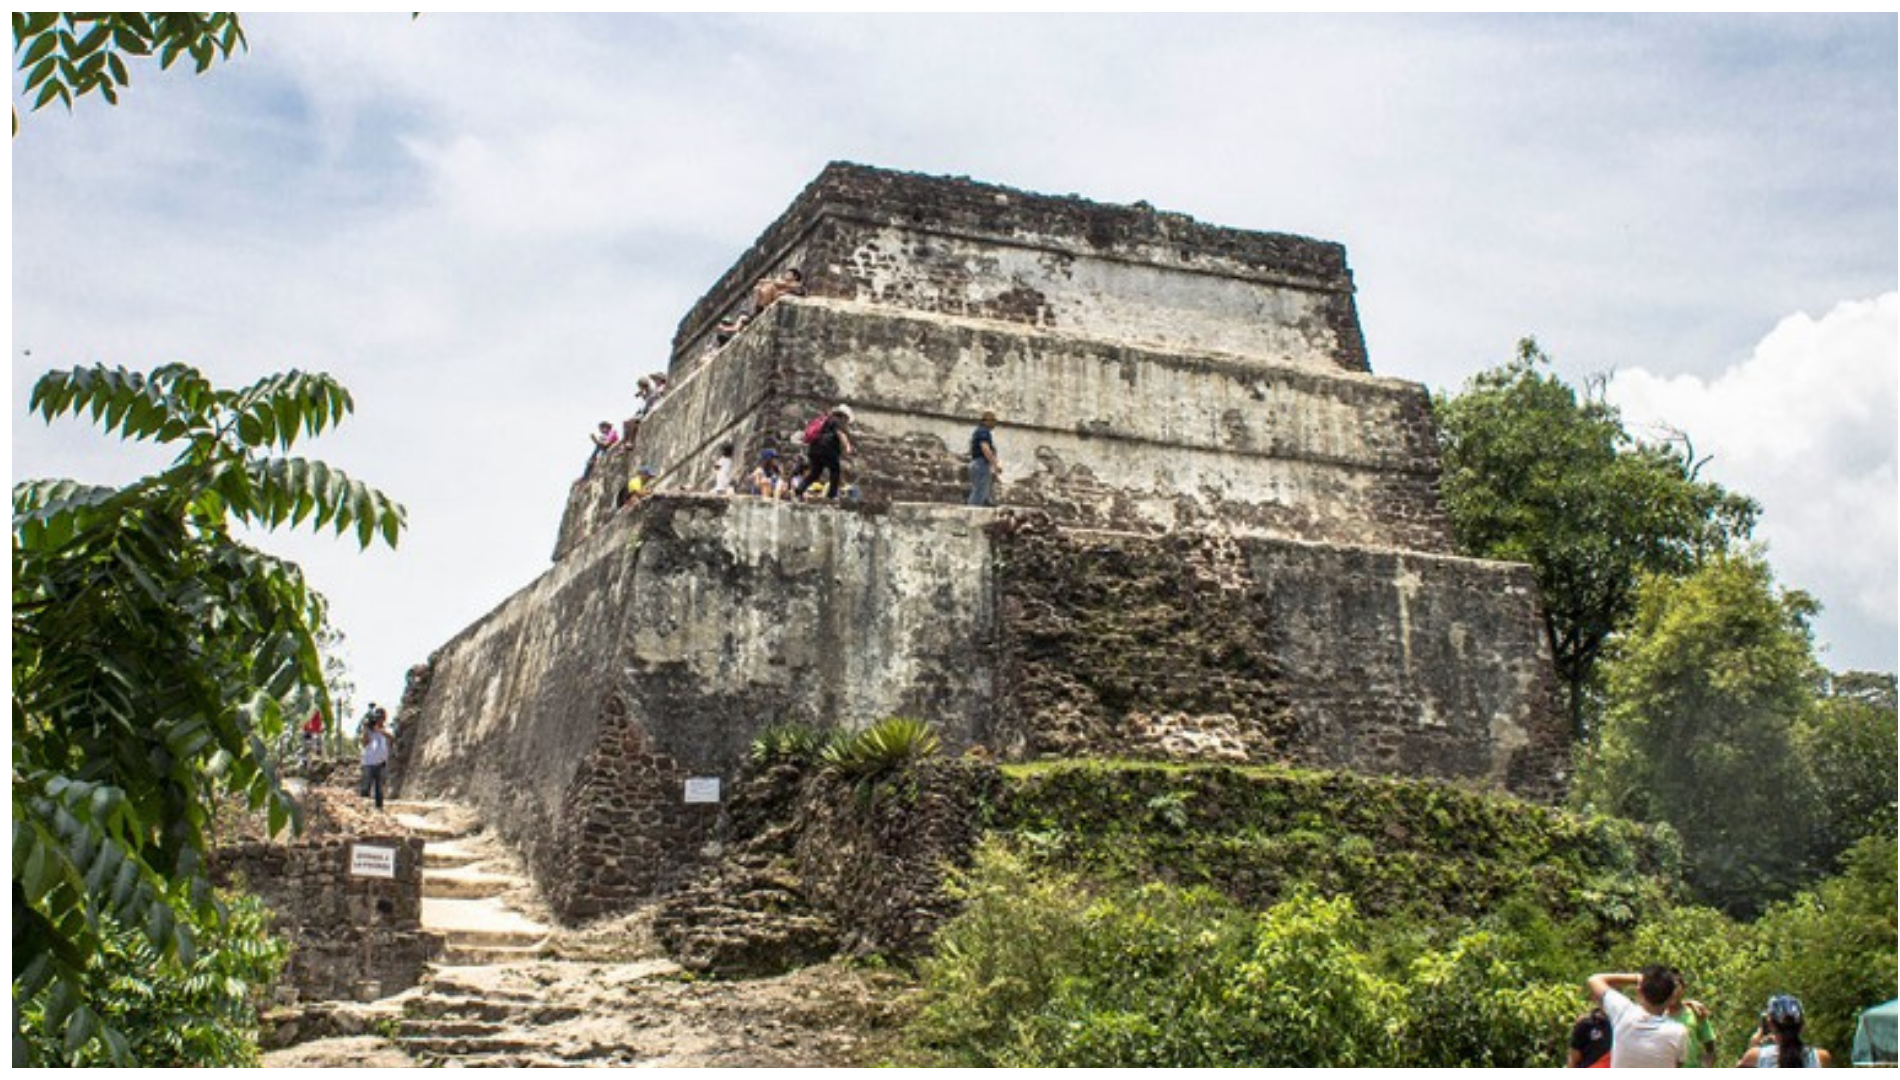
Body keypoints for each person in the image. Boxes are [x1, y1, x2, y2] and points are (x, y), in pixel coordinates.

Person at [1586, 967, 1688, 1068]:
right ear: (1671, 998)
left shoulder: (1623, 1012)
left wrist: (1636, 978)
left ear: (1639, 991)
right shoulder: (1678, 1032)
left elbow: (1594, 979)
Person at [1738, 995, 1831, 1068]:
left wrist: (1753, 1046)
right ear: (1802, 1025)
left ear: (1771, 1025)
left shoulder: (1755, 1057)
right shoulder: (1821, 1057)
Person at [793, 404, 853, 501]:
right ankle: (831, 496)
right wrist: (848, 447)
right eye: (847, 419)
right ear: (844, 416)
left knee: (815, 473)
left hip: (814, 448)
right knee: (835, 470)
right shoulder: (837, 421)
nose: (846, 421)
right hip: (827, 448)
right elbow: (841, 434)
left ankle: (799, 490)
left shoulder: (826, 420)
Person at [1664, 969, 1719, 1068]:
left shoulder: (1696, 1013)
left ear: (1684, 987)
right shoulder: (1654, 1015)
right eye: (1667, 986)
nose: (1671, 991)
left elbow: (1710, 1049)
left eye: (1675, 986)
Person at [359, 710, 392, 811]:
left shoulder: (386, 730)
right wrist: (365, 729)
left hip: (381, 763)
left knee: (379, 789)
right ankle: (362, 809)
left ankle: (379, 809)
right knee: (366, 787)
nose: (379, 719)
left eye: (381, 717)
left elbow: (391, 738)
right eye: (377, 717)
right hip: (368, 762)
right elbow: (364, 743)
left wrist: (380, 730)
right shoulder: (368, 730)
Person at [968, 410, 1002, 507]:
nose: (994, 424)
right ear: (986, 421)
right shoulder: (983, 431)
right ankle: (973, 513)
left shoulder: (978, 432)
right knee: (979, 492)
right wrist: (995, 464)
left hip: (976, 463)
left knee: (981, 491)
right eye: (993, 421)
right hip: (980, 463)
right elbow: (985, 448)